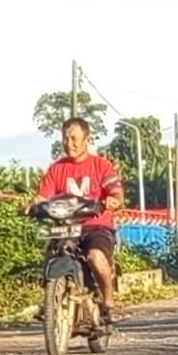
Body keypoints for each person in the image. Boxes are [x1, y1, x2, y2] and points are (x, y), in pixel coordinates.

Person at [34, 116, 121, 327]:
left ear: (87, 139)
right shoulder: (56, 168)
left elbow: (116, 193)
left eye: (74, 138)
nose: (69, 143)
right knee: (51, 254)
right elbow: (43, 196)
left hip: (97, 226)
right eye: (65, 138)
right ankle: (49, 301)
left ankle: (108, 302)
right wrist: (34, 204)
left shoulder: (102, 166)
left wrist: (112, 200)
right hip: (65, 227)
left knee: (95, 257)